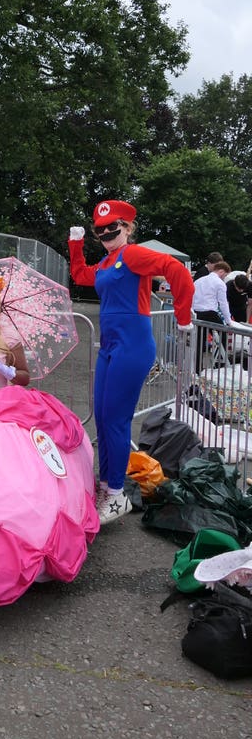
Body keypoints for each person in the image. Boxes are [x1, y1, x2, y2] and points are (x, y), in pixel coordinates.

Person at [69, 200, 194, 525]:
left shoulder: (133, 255)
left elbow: (177, 271)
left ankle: (116, 494)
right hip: (110, 347)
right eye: (100, 230)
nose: (106, 234)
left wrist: (182, 316)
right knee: (103, 418)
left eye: (113, 227)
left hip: (132, 346)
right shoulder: (106, 262)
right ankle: (106, 487)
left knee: (116, 420)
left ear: (127, 227)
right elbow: (80, 275)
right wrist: (75, 245)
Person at [192, 260, 233, 370]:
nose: (224, 277)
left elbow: (192, 297)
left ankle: (197, 369)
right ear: (221, 271)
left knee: (199, 342)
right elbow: (223, 303)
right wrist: (228, 321)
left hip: (197, 312)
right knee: (223, 335)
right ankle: (220, 364)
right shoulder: (220, 283)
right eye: (225, 275)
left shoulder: (199, 281)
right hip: (210, 313)